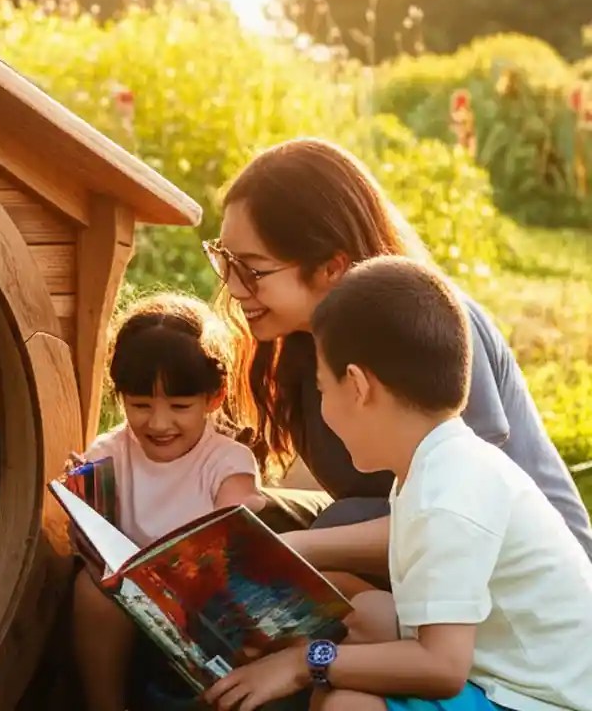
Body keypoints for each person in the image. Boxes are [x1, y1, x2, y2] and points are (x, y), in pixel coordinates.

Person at [202, 256, 592, 711]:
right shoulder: (438, 461)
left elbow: (442, 669)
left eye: (323, 391)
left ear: (358, 386)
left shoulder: (449, 492)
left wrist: (306, 662)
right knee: (356, 611)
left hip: (538, 699)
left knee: (348, 704)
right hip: (501, 666)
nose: (323, 409)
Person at [203, 137, 592, 590]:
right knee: (245, 519)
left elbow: (468, 511)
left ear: (332, 266)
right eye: (224, 259)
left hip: (515, 578)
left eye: (252, 269)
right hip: (414, 545)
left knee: (327, 532)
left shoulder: (434, 327)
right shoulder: (299, 343)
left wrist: (304, 549)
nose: (232, 286)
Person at [68, 291, 269, 711]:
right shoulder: (110, 452)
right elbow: (92, 545)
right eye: (140, 405)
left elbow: (228, 537)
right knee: (92, 589)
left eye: (179, 406)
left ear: (214, 398)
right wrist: (83, 500)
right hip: (130, 603)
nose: (158, 423)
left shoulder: (226, 460)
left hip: (202, 604)